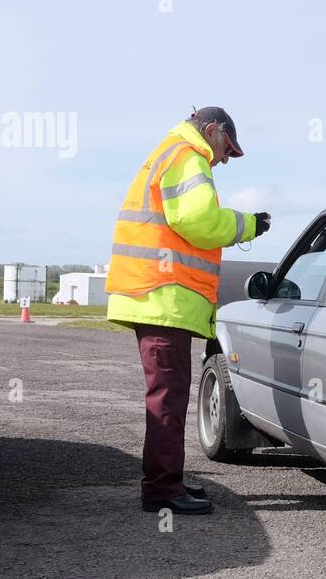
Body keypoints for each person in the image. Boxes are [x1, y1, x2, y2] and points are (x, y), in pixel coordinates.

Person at [105, 107, 271, 515]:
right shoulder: (187, 156)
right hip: (163, 298)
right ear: (211, 131)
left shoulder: (170, 153)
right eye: (226, 148)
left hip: (156, 297)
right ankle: (162, 491)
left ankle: (168, 482)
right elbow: (198, 221)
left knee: (170, 396)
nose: (224, 158)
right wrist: (249, 225)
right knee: (167, 398)